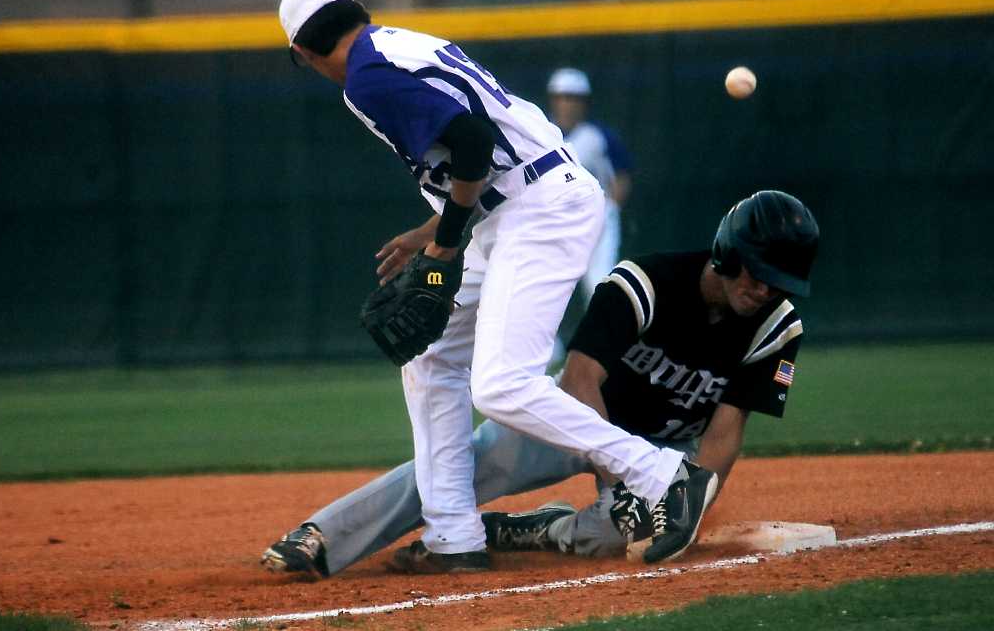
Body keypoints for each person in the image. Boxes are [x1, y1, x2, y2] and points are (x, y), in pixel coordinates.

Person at [270, 0, 714, 575]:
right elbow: (483, 150)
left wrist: (445, 245)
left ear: (302, 52)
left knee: (501, 384)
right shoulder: (393, 46)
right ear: (357, 11)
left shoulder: (368, 77)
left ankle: (664, 474)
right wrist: (434, 232)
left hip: (538, 209)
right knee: (428, 356)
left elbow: (477, 144)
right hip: (510, 206)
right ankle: (456, 536)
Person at [261, 190, 819, 575]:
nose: (765, 289)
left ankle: (537, 528)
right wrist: (621, 478)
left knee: (612, 540)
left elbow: (726, 429)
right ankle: (325, 535)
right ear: (728, 252)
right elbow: (579, 381)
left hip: (664, 450)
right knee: (458, 466)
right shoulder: (645, 283)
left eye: (779, 281)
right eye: (757, 271)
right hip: (574, 420)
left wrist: (687, 509)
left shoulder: (776, 326)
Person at [547, 68, 633, 299]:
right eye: (563, 97)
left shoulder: (599, 135)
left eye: (574, 98)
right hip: (555, 219)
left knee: (599, 285)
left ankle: (607, 334)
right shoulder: (542, 133)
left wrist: (612, 208)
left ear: (585, 103)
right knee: (545, 290)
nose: (568, 104)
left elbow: (622, 177)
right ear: (554, 100)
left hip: (596, 218)